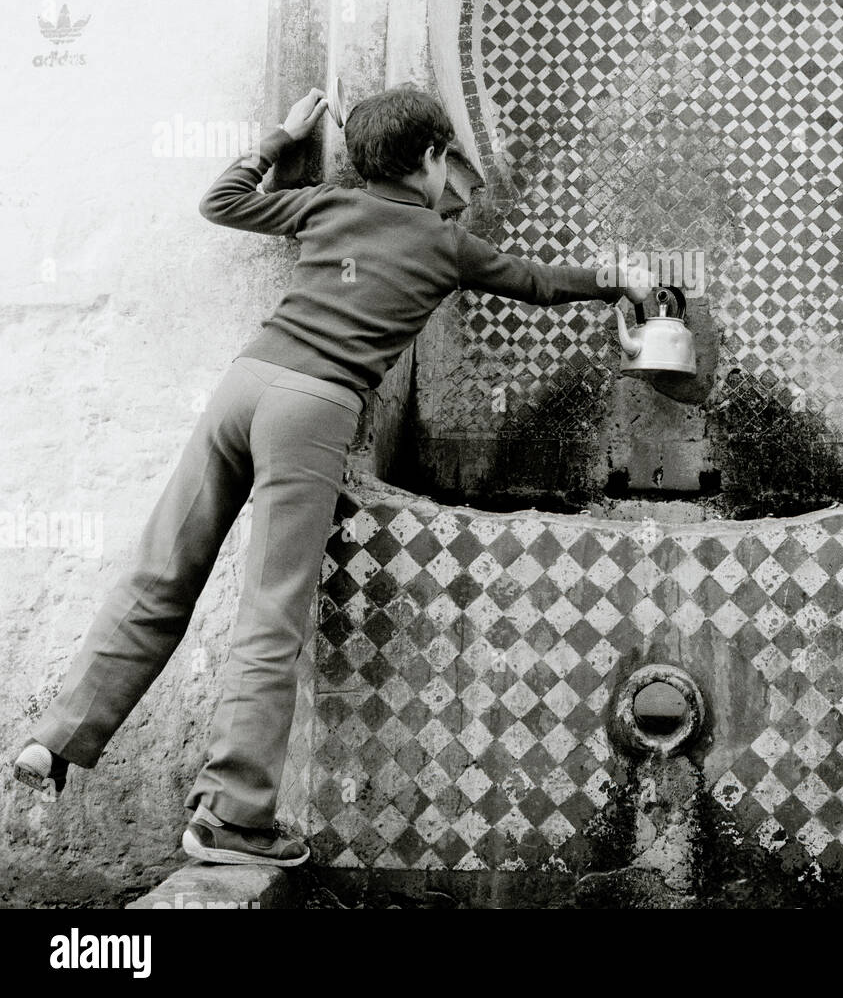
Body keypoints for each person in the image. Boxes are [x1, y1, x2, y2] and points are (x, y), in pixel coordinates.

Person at [12, 84, 652, 866]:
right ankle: (232, 818)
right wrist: (619, 279)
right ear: (428, 160)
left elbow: (221, 201)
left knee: (160, 574)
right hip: (311, 410)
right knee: (272, 611)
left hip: (241, 386)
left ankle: (57, 736)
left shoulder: (322, 205)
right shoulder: (443, 241)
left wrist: (279, 140)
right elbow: (539, 283)